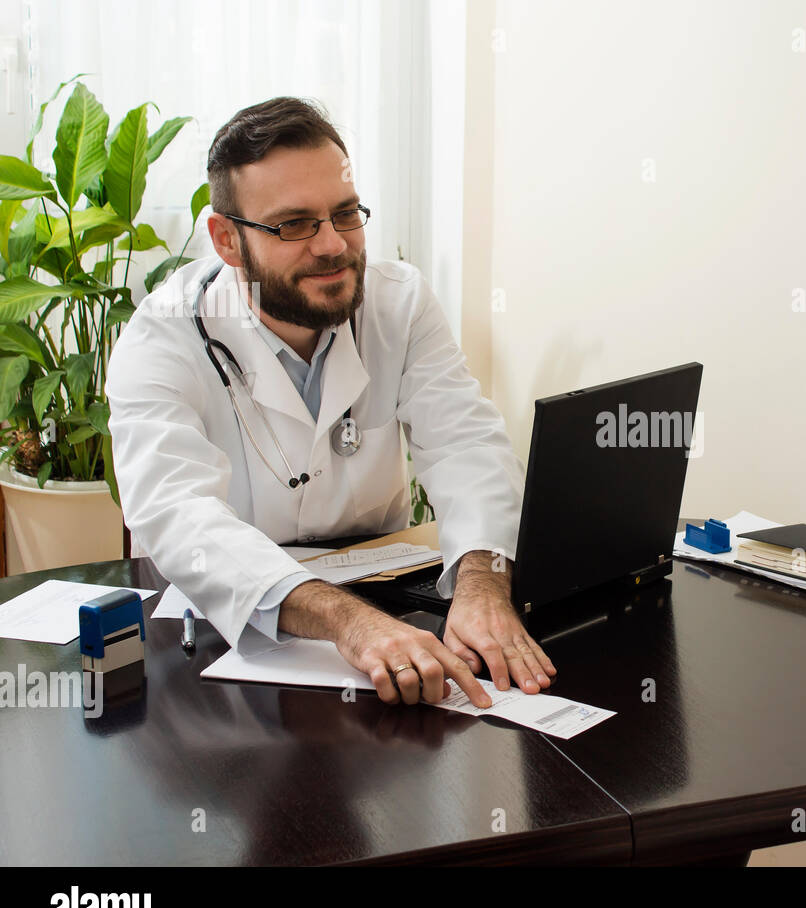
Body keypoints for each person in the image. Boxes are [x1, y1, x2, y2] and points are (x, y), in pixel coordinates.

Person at [107, 97, 555, 709]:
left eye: (345, 215)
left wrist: (481, 584)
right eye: (294, 225)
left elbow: (465, 444)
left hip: (387, 605)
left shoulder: (398, 302)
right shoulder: (163, 333)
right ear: (226, 240)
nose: (331, 246)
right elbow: (178, 518)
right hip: (221, 641)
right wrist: (348, 622)